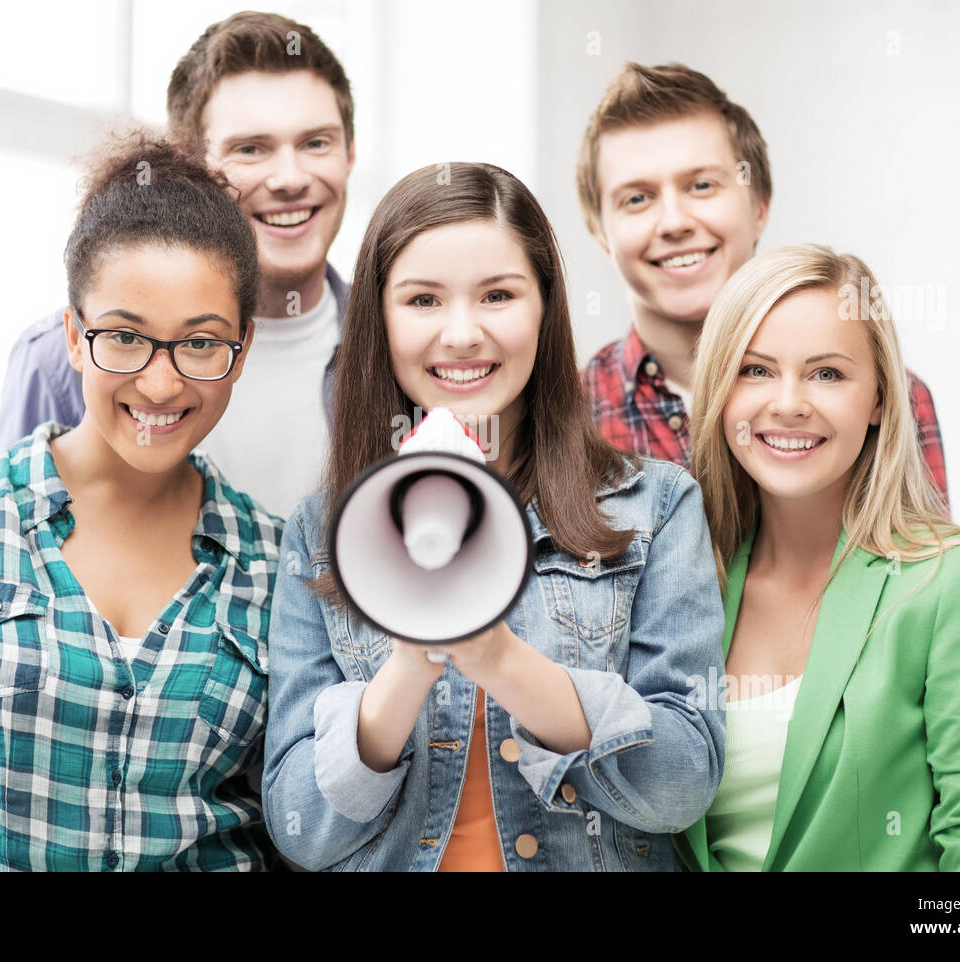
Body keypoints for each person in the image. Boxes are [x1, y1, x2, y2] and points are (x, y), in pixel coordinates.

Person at [0, 136, 283, 871]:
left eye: (200, 344)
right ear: (71, 334)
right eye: (124, 337)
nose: (161, 385)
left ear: (243, 346)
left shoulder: (274, 566)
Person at [261, 162, 726, 872]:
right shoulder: (321, 535)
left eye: (498, 295)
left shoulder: (655, 507)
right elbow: (301, 828)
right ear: (378, 318)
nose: (462, 333)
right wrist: (414, 657)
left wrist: (498, 659)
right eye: (422, 300)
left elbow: (683, 782)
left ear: (545, 308)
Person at [675, 244, 960, 871]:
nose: (788, 402)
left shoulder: (954, 581)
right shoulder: (681, 582)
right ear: (719, 391)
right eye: (756, 370)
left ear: (878, 400)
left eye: (827, 374)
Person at [0, 11, 356, 519]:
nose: (290, 178)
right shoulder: (57, 355)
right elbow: (10, 536)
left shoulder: (397, 343)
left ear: (349, 154)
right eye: (251, 149)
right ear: (191, 163)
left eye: (316, 143)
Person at [576, 63, 950, 509]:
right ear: (602, 235)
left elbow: (924, 568)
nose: (674, 222)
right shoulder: (571, 418)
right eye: (637, 198)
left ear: (759, 207)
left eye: (702, 185)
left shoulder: (887, 401)